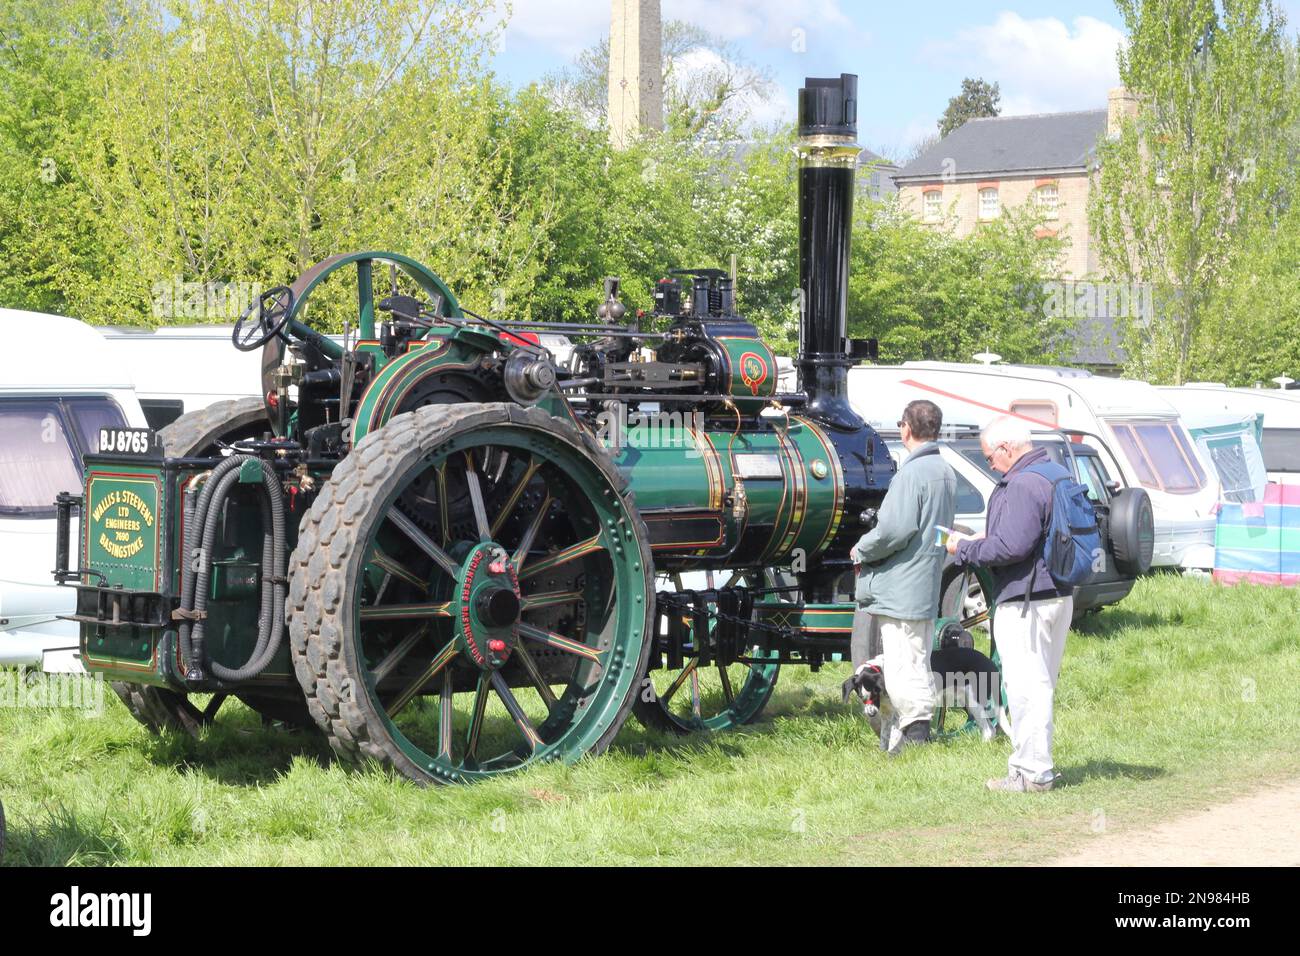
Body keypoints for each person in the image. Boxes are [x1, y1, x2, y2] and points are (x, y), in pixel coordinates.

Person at [946, 415, 1073, 792]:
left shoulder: (1020, 484)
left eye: (989, 457)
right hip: (1059, 594)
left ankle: (1032, 773)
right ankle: (1035, 766)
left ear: (1006, 448)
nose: (990, 465)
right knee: (1042, 685)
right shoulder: (1055, 474)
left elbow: (1011, 548)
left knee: (1025, 689)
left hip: (1026, 599)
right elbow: (1030, 534)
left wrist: (964, 548)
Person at [850, 400, 957, 753]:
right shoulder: (945, 471)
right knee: (916, 659)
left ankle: (915, 737)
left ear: (906, 429)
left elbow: (894, 530)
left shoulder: (911, 474)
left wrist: (861, 549)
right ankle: (914, 734)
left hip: (901, 588)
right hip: (924, 583)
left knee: (900, 668)